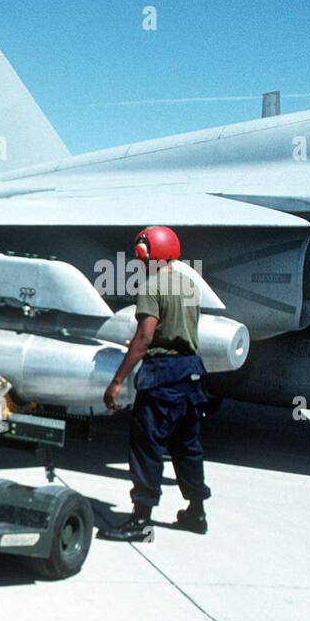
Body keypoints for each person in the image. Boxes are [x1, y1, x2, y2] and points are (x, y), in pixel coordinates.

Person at [98, 226, 211, 542]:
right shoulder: (189, 283)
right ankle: (196, 512)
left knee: (147, 447)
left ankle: (140, 521)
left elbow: (145, 336)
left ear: (146, 252)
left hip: (162, 375)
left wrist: (117, 381)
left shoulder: (151, 286)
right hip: (191, 372)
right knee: (187, 446)